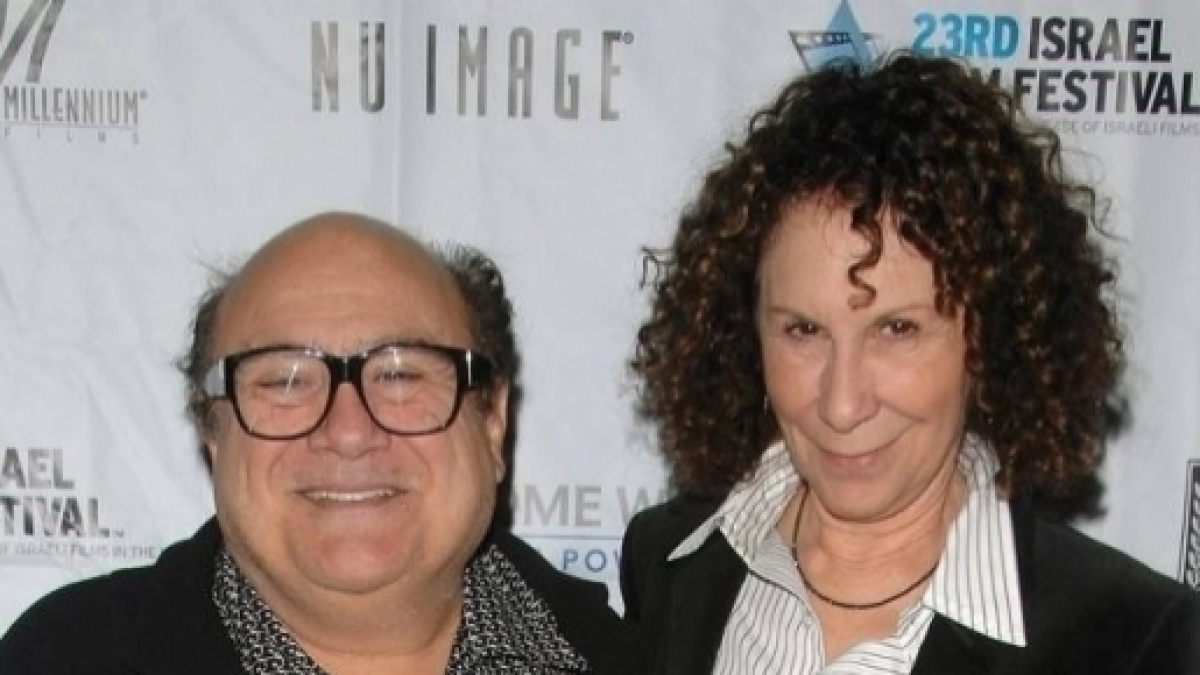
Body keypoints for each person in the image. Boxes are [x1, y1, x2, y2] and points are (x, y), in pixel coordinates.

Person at [620, 53, 1200, 674]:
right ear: (745, 331)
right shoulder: (668, 566)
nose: (843, 404)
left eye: (897, 330)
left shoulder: (1129, 642)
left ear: (990, 337)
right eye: (803, 330)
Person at [0, 212, 642, 674]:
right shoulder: (61, 660)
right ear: (213, 431)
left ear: (492, 420)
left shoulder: (636, 658)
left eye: (401, 375)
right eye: (285, 381)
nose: (349, 431)